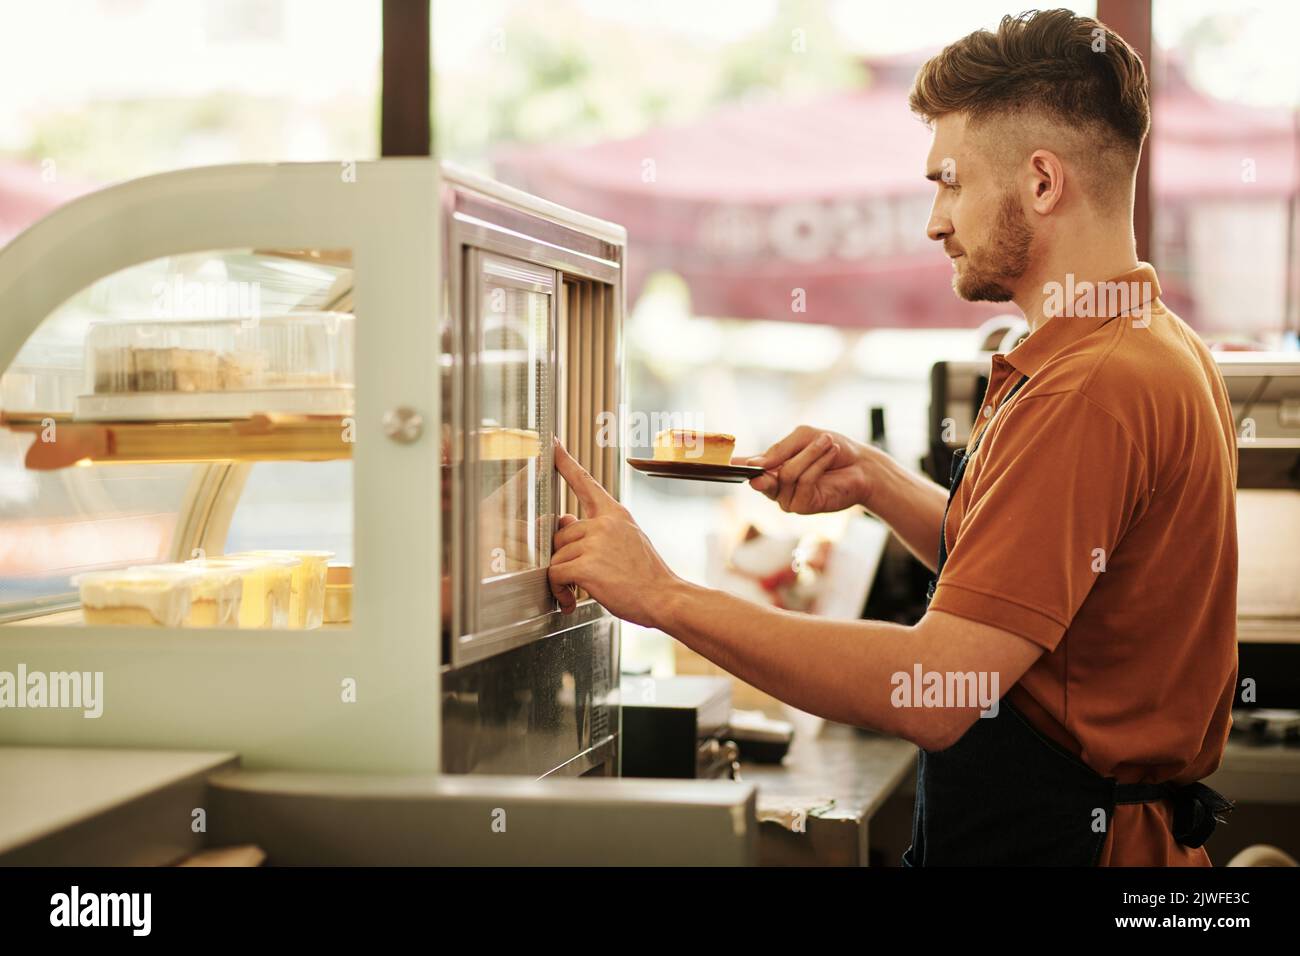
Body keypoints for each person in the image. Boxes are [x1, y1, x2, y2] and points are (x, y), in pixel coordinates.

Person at [548, 8, 1238, 866]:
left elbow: (936, 690)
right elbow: (1036, 587)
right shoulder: (1146, 344)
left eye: (949, 182)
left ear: (1042, 183)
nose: (934, 221)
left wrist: (663, 596)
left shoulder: (1088, 389)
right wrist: (875, 481)